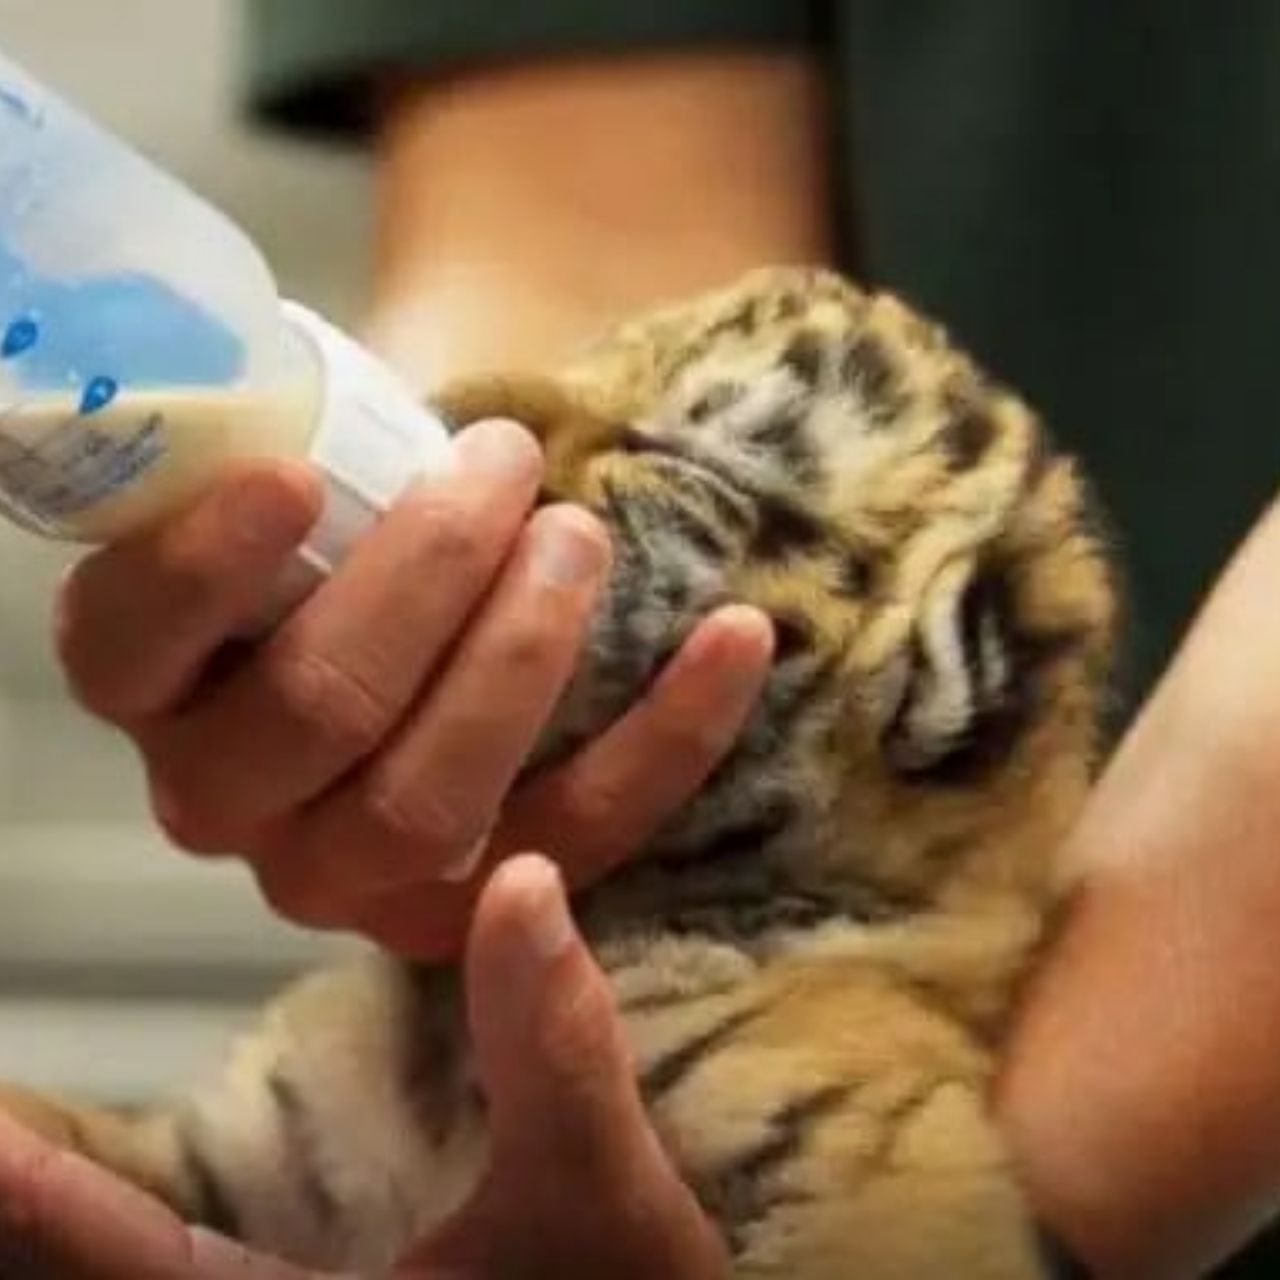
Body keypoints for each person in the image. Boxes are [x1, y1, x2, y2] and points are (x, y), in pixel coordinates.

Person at [2, 3, 1279, 1275]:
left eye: (674, 455)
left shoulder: (834, 1052)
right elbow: (569, 221)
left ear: (928, 695)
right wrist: (405, 665)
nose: (518, 423)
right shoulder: (400, 1036)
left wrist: (1001, 1207)